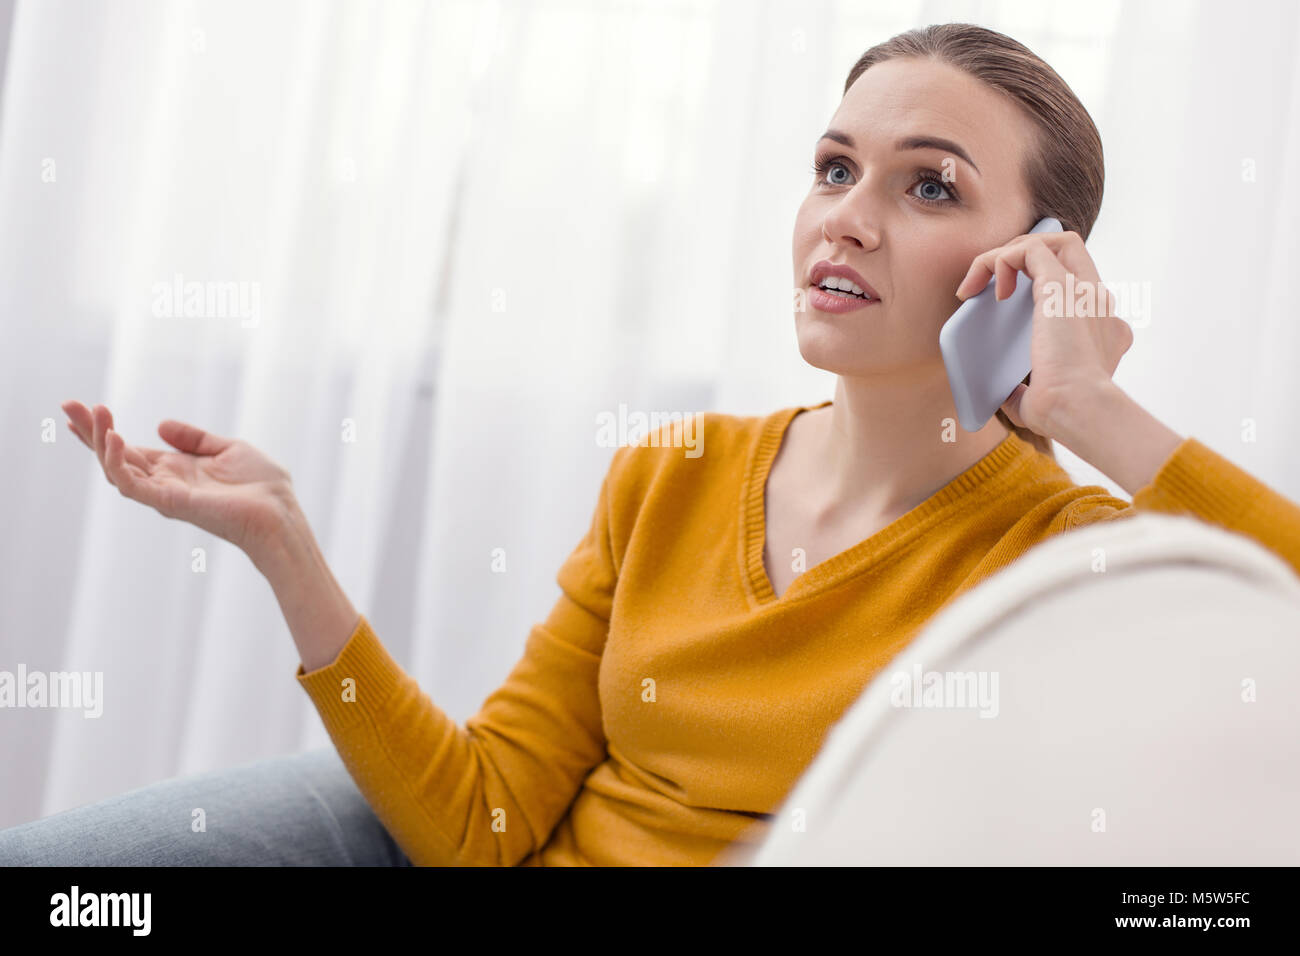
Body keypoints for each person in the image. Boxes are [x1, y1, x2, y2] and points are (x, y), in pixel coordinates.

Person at [4, 22, 1299, 867]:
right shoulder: (672, 470)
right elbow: (485, 819)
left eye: (929, 185)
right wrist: (287, 544)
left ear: (1034, 269)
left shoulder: (1064, 558)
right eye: (835, 167)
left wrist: (1083, 408)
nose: (845, 219)